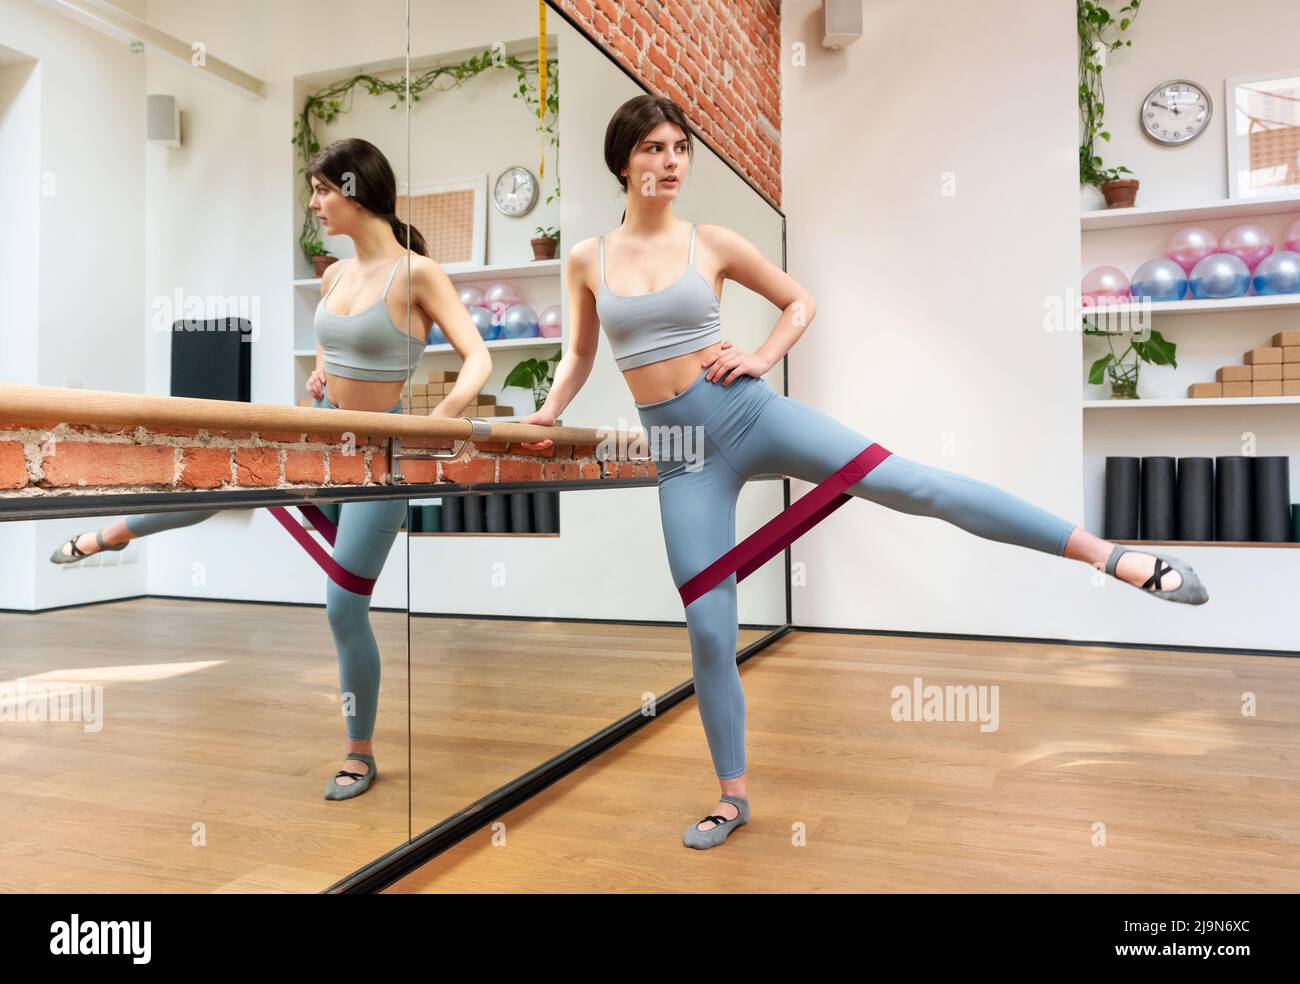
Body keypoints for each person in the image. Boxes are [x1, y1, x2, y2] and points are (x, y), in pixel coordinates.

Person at [516, 94, 1208, 850]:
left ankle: (1111, 556)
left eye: (680, 148)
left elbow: (798, 301)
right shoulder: (588, 258)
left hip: (748, 413)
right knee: (709, 629)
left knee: (915, 486)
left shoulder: (709, 242)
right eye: (653, 149)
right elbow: (580, 354)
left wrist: (761, 356)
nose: (670, 162)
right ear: (623, 161)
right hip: (680, 456)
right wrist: (548, 414)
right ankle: (732, 796)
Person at [50, 137, 491, 800]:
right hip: (318, 440)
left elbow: (477, 359)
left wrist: (438, 421)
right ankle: (111, 535)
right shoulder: (335, 276)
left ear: (358, 191)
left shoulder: (417, 274)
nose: (315, 205)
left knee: (344, 605)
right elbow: (330, 340)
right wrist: (320, 370)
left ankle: (358, 753)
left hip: (382, 461)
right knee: (217, 481)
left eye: (322, 192)